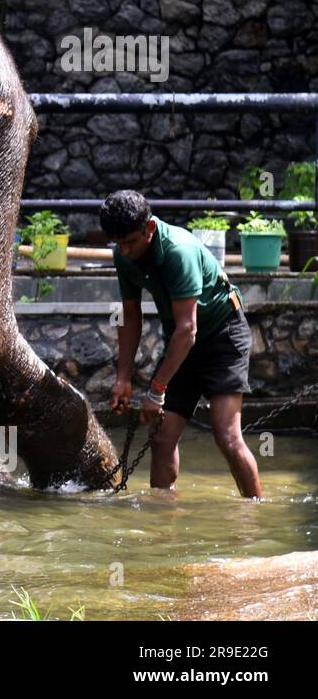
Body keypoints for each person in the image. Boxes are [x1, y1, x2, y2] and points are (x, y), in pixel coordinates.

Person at [100, 189, 261, 498]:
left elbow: (189, 329)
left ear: (149, 228)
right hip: (181, 342)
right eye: (117, 243)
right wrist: (123, 378)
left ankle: (254, 514)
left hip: (222, 336)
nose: (125, 250)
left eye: (130, 241)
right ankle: (164, 523)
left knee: (226, 435)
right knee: (160, 438)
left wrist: (156, 391)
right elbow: (131, 316)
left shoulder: (179, 251)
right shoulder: (124, 255)